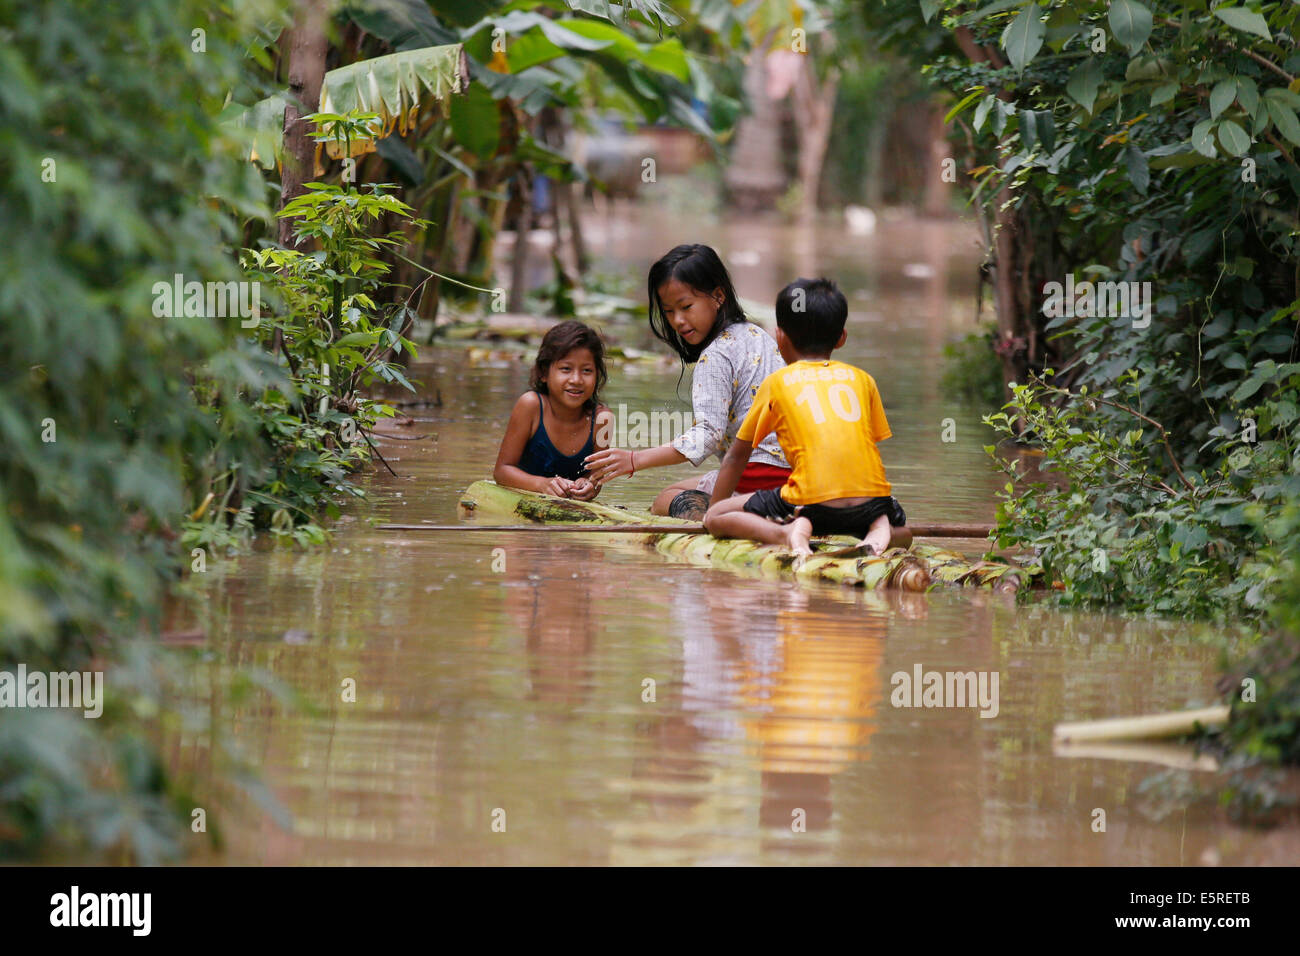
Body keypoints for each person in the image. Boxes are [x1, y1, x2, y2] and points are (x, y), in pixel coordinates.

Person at [703, 278, 913, 557]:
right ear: (841, 338)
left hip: (810, 503)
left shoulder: (777, 383)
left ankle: (787, 532)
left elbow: (736, 457)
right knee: (905, 535)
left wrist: (712, 514)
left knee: (717, 516)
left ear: (780, 337)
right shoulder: (863, 380)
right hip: (872, 502)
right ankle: (879, 527)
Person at [583, 243, 791, 517]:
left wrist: (635, 459)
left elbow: (708, 436)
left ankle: (730, 517)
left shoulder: (715, 355)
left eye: (686, 307)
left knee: (664, 500)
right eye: (669, 311)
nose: (678, 321)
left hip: (755, 476)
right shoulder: (757, 334)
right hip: (796, 475)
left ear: (718, 296)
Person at [494, 320, 613, 500]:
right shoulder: (531, 406)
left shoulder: (602, 419)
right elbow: (502, 472)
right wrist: (542, 484)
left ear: (597, 376)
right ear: (543, 373)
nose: (576, 379)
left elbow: (596, 478)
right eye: (566, 369)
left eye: (587, 370)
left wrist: (588, 485)